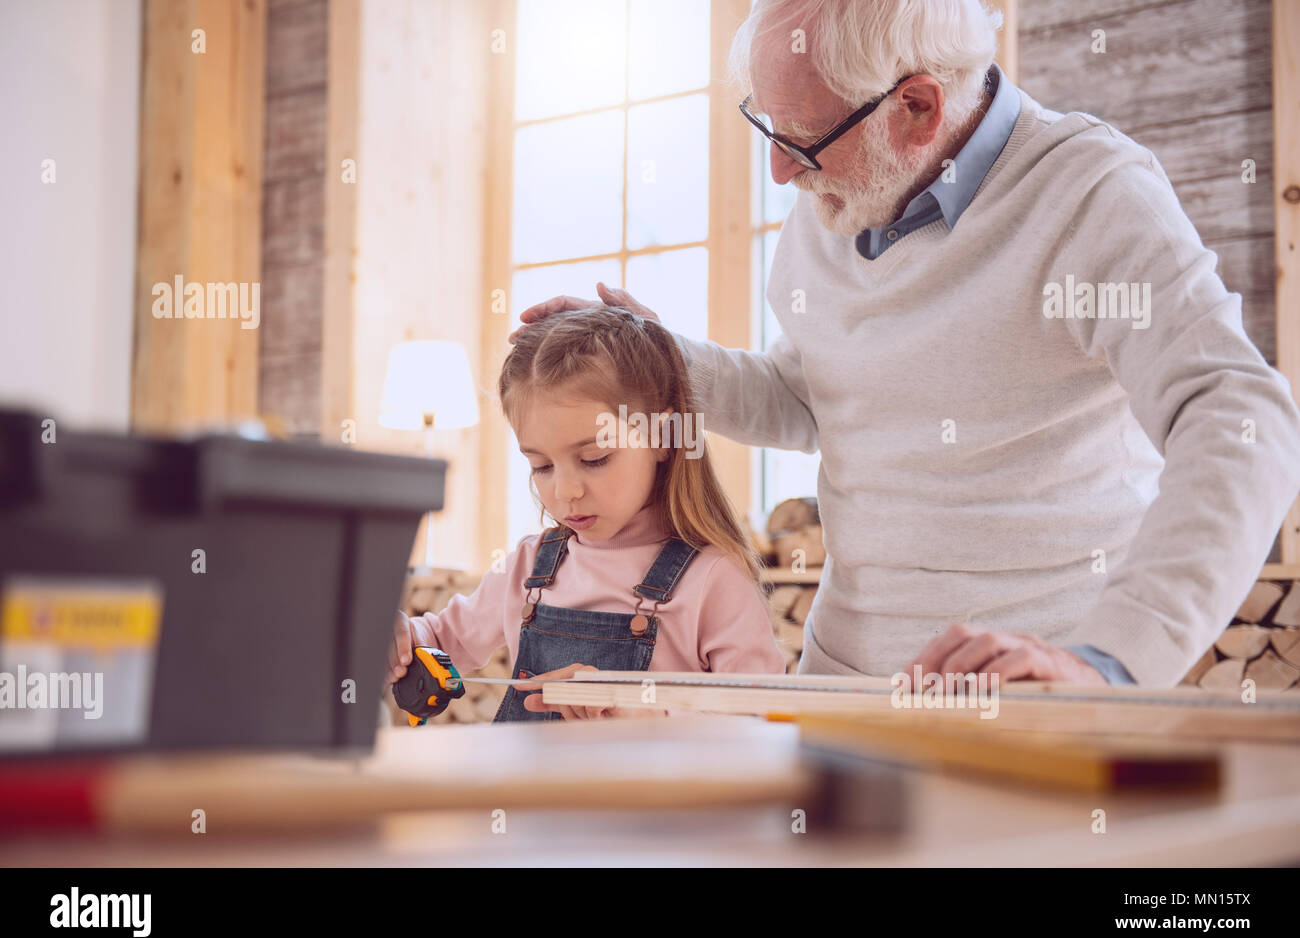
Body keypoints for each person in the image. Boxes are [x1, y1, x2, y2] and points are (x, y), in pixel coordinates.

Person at [515, 0, 1300, 688]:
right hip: (842, 682)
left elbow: (1239, 414)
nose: (780, 171)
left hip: (1037, 691)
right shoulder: (841, 187)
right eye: (767, 126)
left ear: (918, 106)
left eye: (804, 140)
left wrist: (1110, 662)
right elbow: (808, 398)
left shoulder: (1091, 194)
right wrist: (660, 358)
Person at [388, 306, 785, 721]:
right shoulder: (528, 565)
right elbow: (436, 641)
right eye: (541, 466)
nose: (565, 491)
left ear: (665, 437)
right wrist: (400, 639)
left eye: (595, 458)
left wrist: (647, 719)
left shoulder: (714, 581)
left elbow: (758, 724)